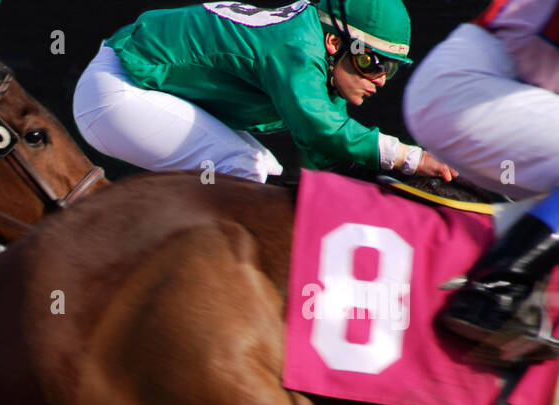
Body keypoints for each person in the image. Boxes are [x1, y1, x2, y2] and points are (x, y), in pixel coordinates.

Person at [72, 0, 456, 185]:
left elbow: (324, 158)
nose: (380, 79)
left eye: (389, 68)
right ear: (334, 41)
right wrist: (410, 158)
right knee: (249, 172)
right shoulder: (296, 48)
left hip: (139, 88)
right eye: (373, 62)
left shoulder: (319, 56)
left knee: (269, 174)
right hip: (117, 92)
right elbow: (321, 131)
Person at [404, 0, 559, 360]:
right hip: (472, 89)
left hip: (486, 87)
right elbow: (528, 45)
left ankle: (528, 296)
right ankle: (492, 292)